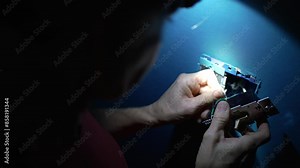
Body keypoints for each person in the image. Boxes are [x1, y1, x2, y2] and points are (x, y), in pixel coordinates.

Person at [8, 0, 270, 167]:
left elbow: (83, 127)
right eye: (166, 12)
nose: (159, 38)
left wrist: (152, 113)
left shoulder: (34, 110)